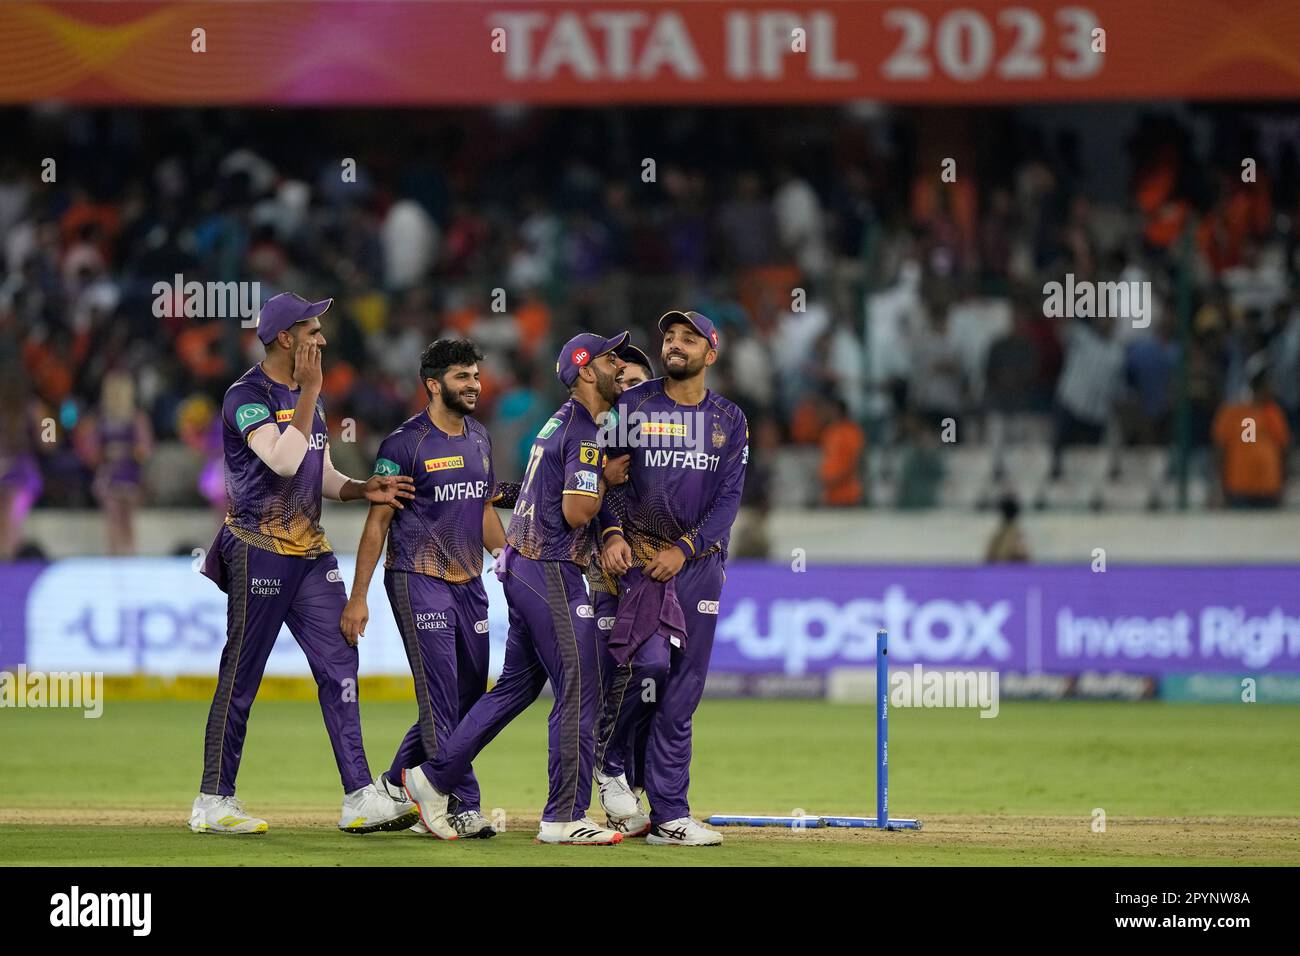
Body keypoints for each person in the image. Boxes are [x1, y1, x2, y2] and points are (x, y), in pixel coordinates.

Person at [191, 292, 419, 836]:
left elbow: (317, 471)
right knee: (241, 677)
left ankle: (360, 795)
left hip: (310, 554)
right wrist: (312, 390)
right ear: (285, 338)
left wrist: (363, 488)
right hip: (258, 549)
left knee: (341, 664)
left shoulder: (306, 399)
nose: (322, 339)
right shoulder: (245, 396)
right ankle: (212, 801)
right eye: (312, 330)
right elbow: (282, 458)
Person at [400, 331, 632, 845]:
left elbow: (534, 489)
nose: (619, 365)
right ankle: (563, 817)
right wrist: (604, 481)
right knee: (580, 687)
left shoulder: (560, 421)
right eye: (610, 358)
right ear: (585, 371)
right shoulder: (586, 431)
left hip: (521, 567)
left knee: (514, 689)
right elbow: (577, 511)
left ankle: (431, 778)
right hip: (552, 568)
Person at [340, 339, 506, 840]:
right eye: (462, 377)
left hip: (469, 581)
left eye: (476, 375)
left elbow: (482, 510)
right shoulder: (403, 445)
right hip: (417, 579)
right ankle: (459, 802)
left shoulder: (479, 437)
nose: (474, 385)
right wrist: (358, 595)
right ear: (433, 385)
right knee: (439, 698)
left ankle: (395, 787)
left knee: (469, 697)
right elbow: (378, 523)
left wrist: (510, 559)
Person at [598, 310, 748, 846]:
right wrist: (612, 534)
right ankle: (611, 760)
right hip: (641, 563)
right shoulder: (631, 405)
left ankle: (669, 815)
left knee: (683, 692)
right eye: (669, 336)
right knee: (652, 668)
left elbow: (729, 501)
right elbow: (606, 481)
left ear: (711, 353)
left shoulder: (730, 418)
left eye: (689, 338)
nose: (675, 344)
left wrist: (686, 551)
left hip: (698, 566)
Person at [587, 343, 654, 836]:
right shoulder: (597, 432)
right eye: (622, 381)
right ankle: (610, 772)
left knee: (655, 680)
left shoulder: (669, 436)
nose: (628, 389)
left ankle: (628, 783)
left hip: (659, 573)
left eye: (637, 383)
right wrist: (610, 534)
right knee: (623, 672)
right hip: (607, 570)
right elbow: (576, 494)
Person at [1211, 368, 1291, 508]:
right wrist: (1218, 486)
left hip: (1268, 487)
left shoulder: (1273, 412)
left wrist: (1283, 484)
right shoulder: (1233, 411)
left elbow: (1283, 449)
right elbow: (1220, 449)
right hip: (1239, 487)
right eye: (1270, 384)